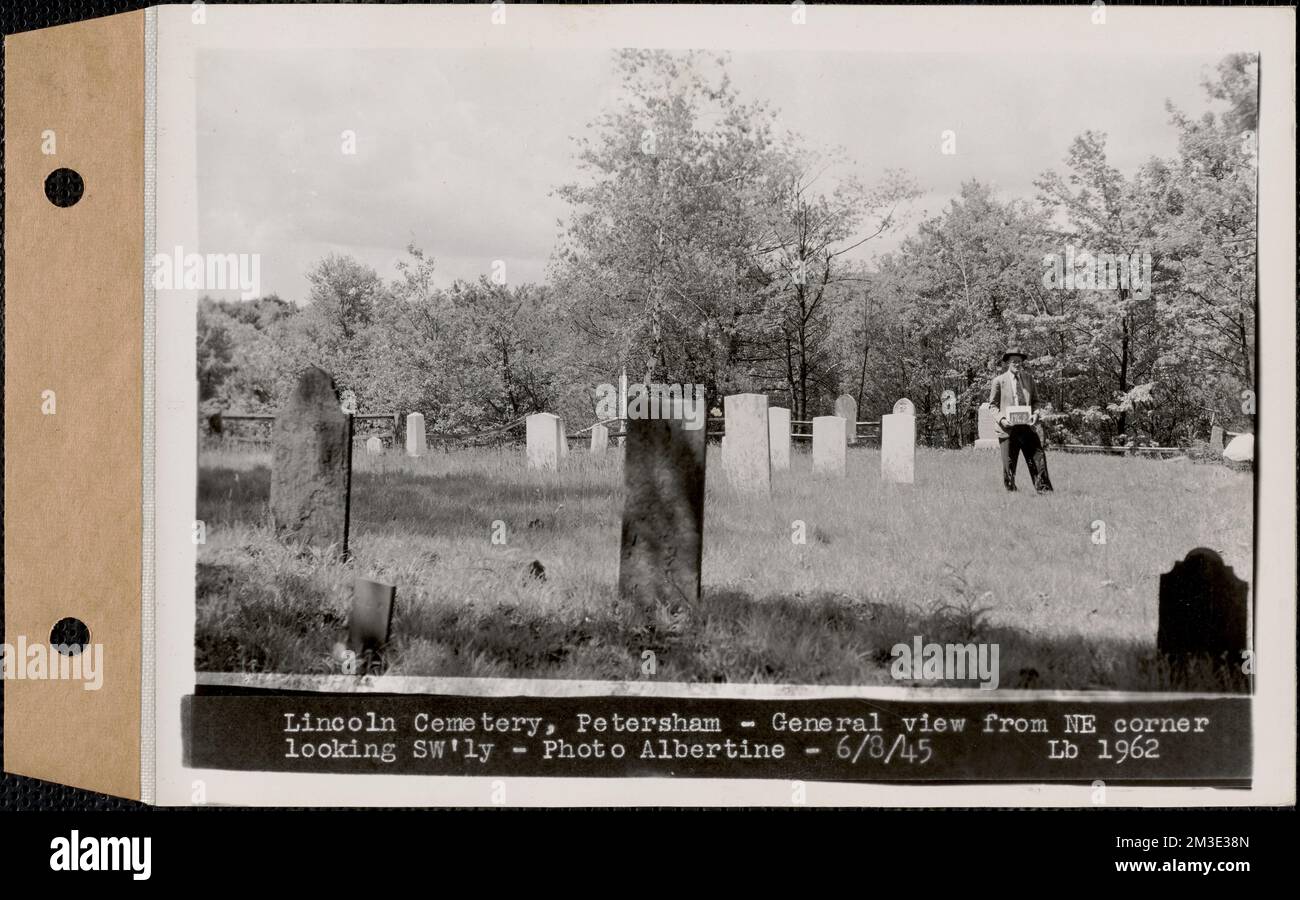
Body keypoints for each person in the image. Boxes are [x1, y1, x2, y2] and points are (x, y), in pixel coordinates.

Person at [985, 348, 1053, 492]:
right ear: (1007, 363)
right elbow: (992, 405)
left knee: (1038, 457)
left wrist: (1035, 414)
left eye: (1020, 362)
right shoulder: (999, 381)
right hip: (1008, 428)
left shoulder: (1029, 379)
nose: (1017, 364)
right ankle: (1011, 492)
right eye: (1014, 361)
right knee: (1009, 463)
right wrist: (1002, 420)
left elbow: (1035, 401)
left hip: (1028, 426)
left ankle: (1044, 490)